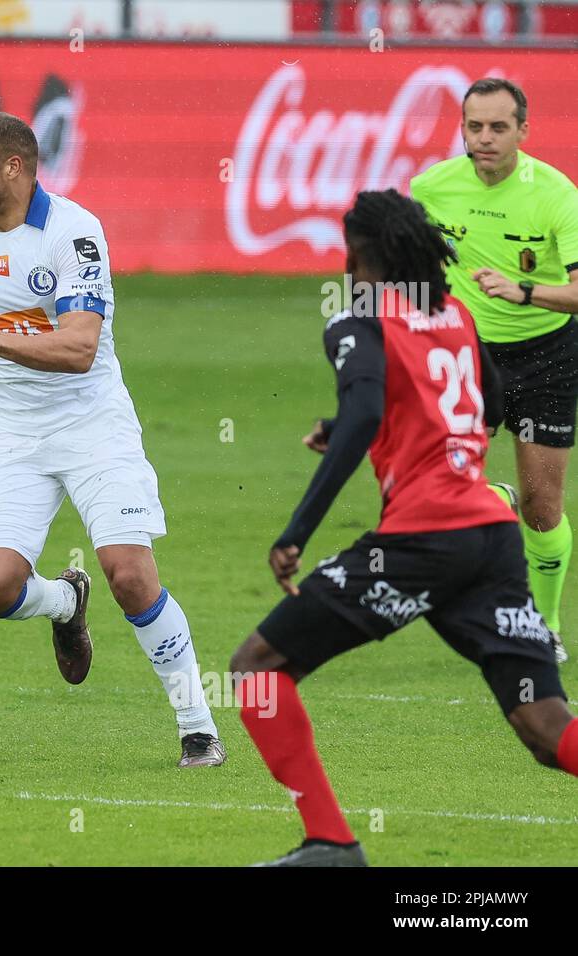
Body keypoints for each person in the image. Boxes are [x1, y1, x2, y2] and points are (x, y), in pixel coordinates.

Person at [230, 190, 575, 867]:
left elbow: (362, 415)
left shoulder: (357, 322)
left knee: (257, 669)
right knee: (543, 723)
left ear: (359, 252)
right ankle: (329, 846)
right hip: (491, 538)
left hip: (420, 543)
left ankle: (331, 843)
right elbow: (491, 402)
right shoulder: (458, 313)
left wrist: (298, 530)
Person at [0, 112, 225, 768]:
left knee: (130, 574)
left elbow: (79, 348)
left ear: (13, 167)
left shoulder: (74, 233)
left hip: (92, 426)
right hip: (12, 434)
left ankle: (197, 726)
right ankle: (65, 603)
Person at [411, 78, 578, 661]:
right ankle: (488, 506)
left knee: (542, 506)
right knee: (444, 489)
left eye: (498, 128)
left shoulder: (556, 195)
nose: (483, 139)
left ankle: (545, 623)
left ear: (523, 131)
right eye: (474, 126)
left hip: (547, 354)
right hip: (468, 356)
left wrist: (523, 291)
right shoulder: (431, 188)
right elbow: (400, 263)